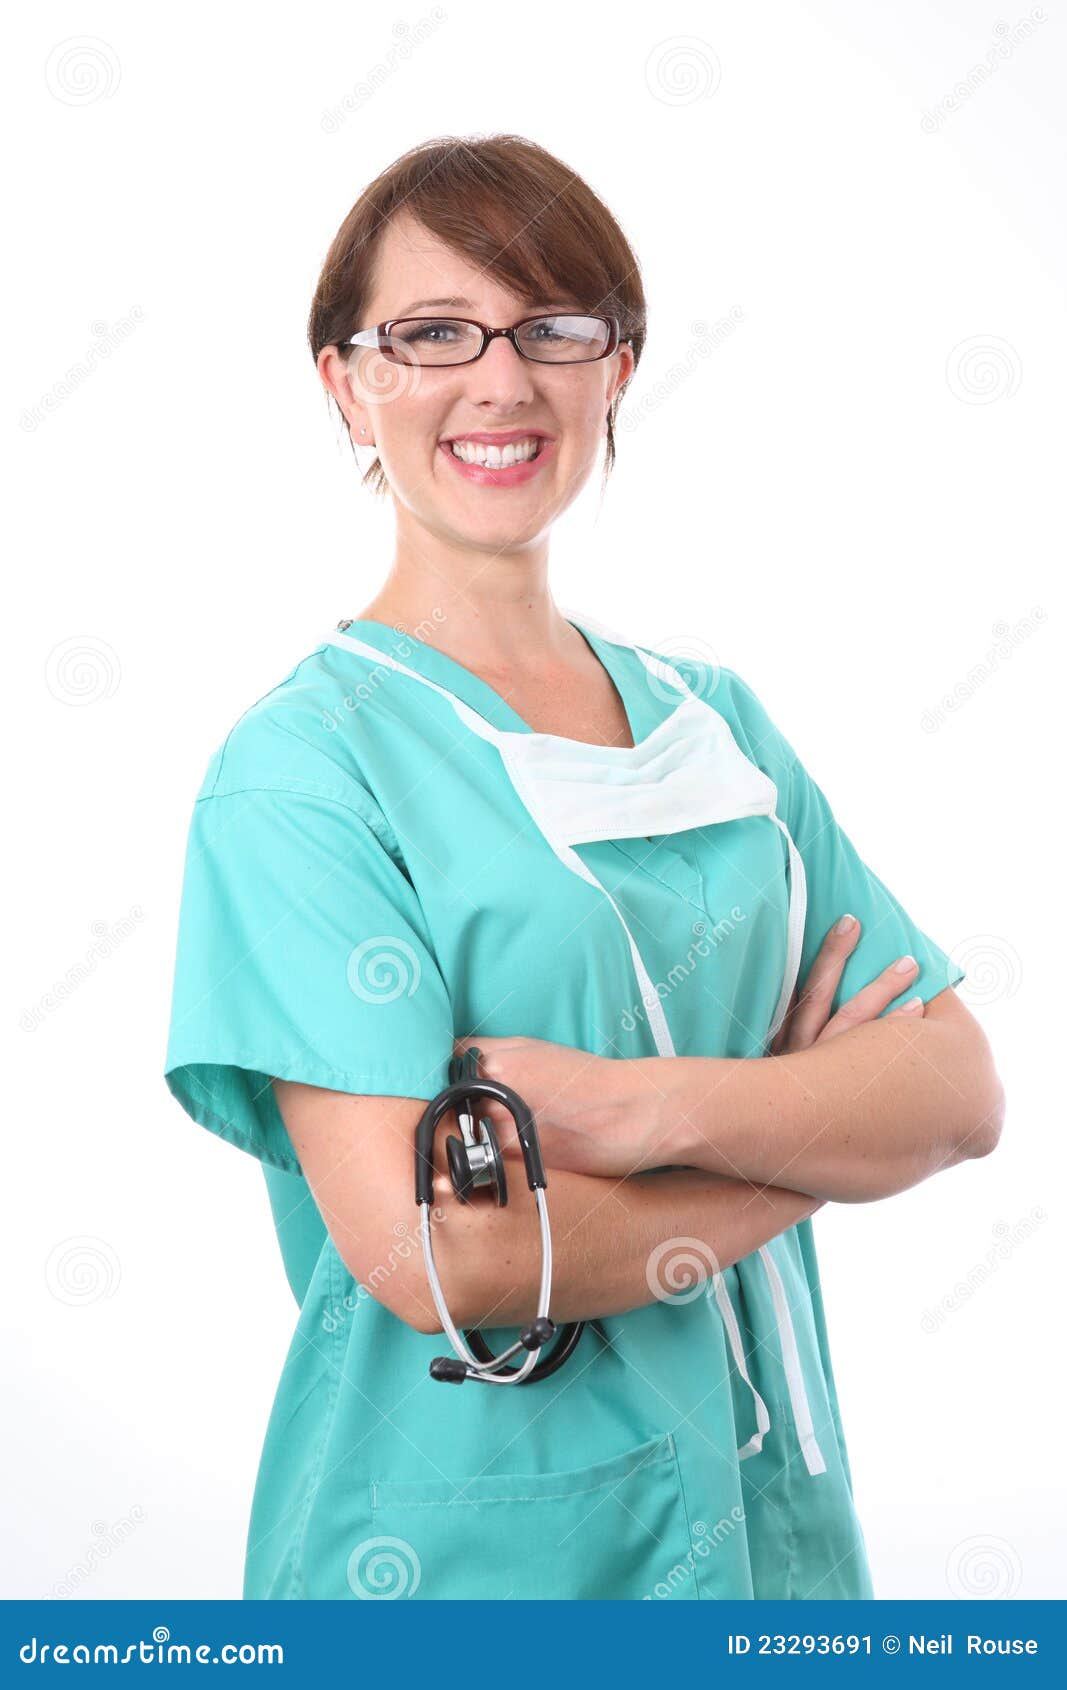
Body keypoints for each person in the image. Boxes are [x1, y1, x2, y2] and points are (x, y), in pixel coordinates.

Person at [163, 134, 1004, 1601]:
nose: (501, 380)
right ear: (346, 383)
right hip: (457, 1562)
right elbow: (445, 1260)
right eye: (433, 334)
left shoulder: (716, 722)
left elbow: (956, 1090)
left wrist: (638, 1106)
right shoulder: (303, 774)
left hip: (771, 1544)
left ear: (616, 368)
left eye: (554, 327)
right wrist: (810, 1152)